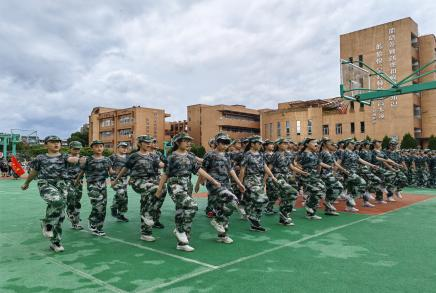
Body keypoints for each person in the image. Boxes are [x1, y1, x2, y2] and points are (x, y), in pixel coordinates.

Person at [156, 132, 221, 252]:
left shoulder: (190, 156)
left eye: (189, 141)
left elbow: (199, 170)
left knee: (182, 210)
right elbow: (165, 174)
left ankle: (182, 243)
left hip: (187, 184)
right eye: (185, 141)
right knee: (192, 206)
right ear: (177, 142)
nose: (188, 143)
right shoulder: (172, 157)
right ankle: (180, 231)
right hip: (175, 185)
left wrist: (213, 180)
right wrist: (159, 189)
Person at [21, 135, 80, 252]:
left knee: (59, 215)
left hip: (62, 184)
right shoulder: (40, 158)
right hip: (46, 184)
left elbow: (71, 159)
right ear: (46, 144)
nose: (56, 144)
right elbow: (34, 171)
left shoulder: (64, 156)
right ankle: (46, 223)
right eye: (52, 142)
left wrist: (77, 159)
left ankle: (55, 242)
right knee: (57, 201)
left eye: (58, 142)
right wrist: (27, 182)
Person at [112, 135, 164, 242]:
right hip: (137, 181)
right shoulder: (134, 156)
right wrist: (116, 180)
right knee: (154, 188)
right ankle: (147, 215)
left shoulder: (153, 156)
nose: (149, 144)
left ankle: (146, 233)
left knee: (160, 191)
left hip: (150, 181)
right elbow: (125, 168)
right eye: (146, 142)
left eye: (150, 142)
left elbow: (160, 165)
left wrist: (168, 164)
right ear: (139, 144)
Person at [201, 132, 245, 243]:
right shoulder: (209, 155)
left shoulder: (227, 155)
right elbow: (203, 170)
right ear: (217, 143)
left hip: (226, 184)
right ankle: (216, 220)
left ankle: (222, 236)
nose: (225, 145)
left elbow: (230, 170)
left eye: (227, 143)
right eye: (223, 142)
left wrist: (239, 183)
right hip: (214, 184)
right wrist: (200, 182)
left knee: (223, 209)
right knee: (233, 199)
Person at [239, 135, 278, 231]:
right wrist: (240, 183)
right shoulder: (247, 155)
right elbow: (242, 170)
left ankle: (255, 222)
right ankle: (249, 211)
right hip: (250, 179)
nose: (261, 145)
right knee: (262, 198)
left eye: (261, 143)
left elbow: (265, 167)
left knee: (261, 200)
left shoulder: (261, 154)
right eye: (259, 143)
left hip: (259, 180)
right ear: (252, 144)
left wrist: (272, 176)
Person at [75, 140, 113, 236]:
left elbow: (111, 171)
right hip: (92, 184)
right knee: (97, 204)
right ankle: (92, 223)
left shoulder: (107, 159)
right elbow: (82, 171)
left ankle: (98, 227)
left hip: (103, 184)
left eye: (101, 146)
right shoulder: (88, 159)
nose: (99, 148)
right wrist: (77, 180)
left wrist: (119, 172)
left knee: (103, 206)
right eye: (96, 146)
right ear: (92, 148)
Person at [268, 138, 300, 225]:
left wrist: (302, 172)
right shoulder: (276, 155)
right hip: (278, 177)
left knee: (285, 197)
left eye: (287, 143)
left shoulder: (287, 154)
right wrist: (266, 180)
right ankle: (284, 214)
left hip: (287, 176)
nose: (286, 145)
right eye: (284, 143)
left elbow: (291, 167)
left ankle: (283, 218)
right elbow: (269, 168)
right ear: (279, 145)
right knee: (292, 193)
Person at [64, 141, 84, 229]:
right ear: (70, 149)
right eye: (75, 148)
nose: (77, 150)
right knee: (71, 198)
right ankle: (71, 214)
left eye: (78, 149)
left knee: (77, 201)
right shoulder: (66, 156)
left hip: (79, 182)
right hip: (68, 181)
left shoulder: (83, 158)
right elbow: (73, 159)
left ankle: (76, 221)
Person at [109, 142, 130, 222]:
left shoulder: (128, 157)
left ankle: (121, 215)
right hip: (115, 179)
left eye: (126, 147)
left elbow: (131, 168)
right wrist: (112, 173)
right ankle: (114, 207)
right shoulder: (113, 157)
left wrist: (131, 178)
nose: (124, 149)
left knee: (124, 198)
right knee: (120, 193)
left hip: (124, 179)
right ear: (118, 148)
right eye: (122, 147)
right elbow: (108, 167)